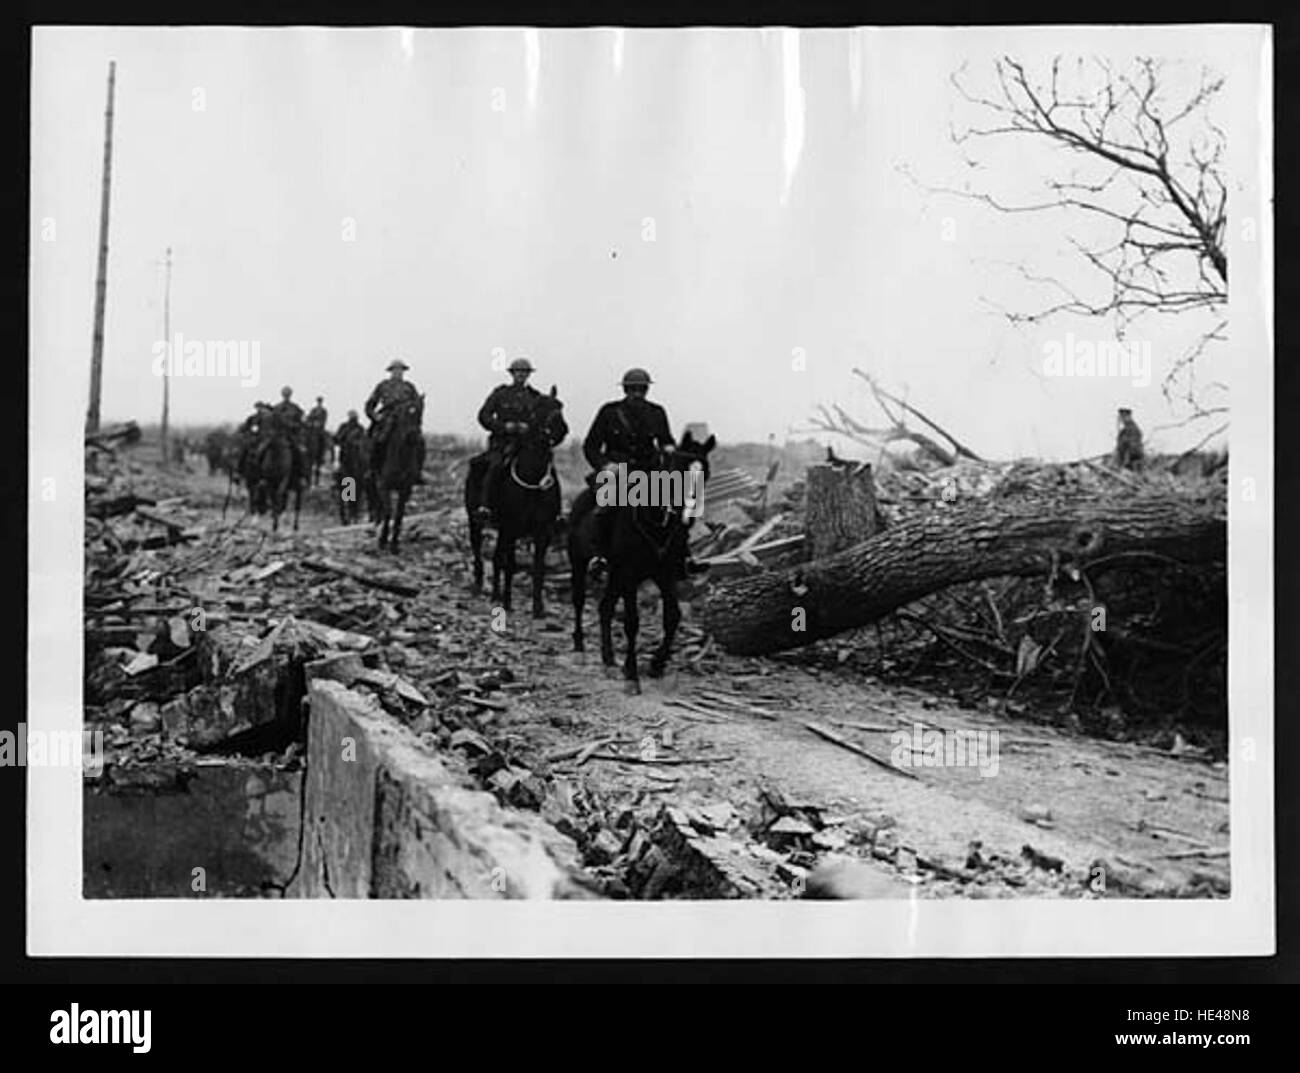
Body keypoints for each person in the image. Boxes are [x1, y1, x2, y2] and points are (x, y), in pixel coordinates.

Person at [581, 367, 678, 574]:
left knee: (678, 503)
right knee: (604, 509)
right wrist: (605, 465)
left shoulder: (656, 412)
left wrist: (668, 448)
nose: (637, 394)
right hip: (617, 472)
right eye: (632, 389)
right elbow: (590, 446)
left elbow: (666, 440)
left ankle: (681, 556)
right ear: (625, 390)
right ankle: (599, 556)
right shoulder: (609, 412)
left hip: (648, 471)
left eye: (641, 390)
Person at [473, 357, 544, 519]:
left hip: (527, 445)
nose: (521, 375)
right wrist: (504, 427)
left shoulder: (535, 397)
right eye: (518, 372)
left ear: (528, 375)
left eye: (525, 372)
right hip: (503, 443)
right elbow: (484, 416)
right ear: (512, 374)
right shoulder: (501, 394)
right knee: (496, 467)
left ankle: (552, 513)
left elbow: (541, 421)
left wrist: (529, 428)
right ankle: (485, 506)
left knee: (546, 470)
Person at [365, 358, 426, 482]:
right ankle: (373, 469)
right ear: (390, 371)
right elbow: (370, 405)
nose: (398, 372)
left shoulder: (409, 387)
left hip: (405, 420)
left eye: (401, 370)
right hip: (387, 417)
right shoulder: (383, 386)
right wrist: (376, 416)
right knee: (379, 440)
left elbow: (416, 405)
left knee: (419, 442)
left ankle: (417, 472)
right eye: (395, 370)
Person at [271, 386, 308, 482]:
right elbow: (272, 422)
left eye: (288, 394)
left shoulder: (295, 408)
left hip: (291, 436)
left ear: (290, 395)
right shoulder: (276, 408)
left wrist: (292, 425)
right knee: (260, 449)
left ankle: (301, 476)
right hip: (277, 435)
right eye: (284, 394)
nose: (286, 395)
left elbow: (300, 423)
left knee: (301, 452)